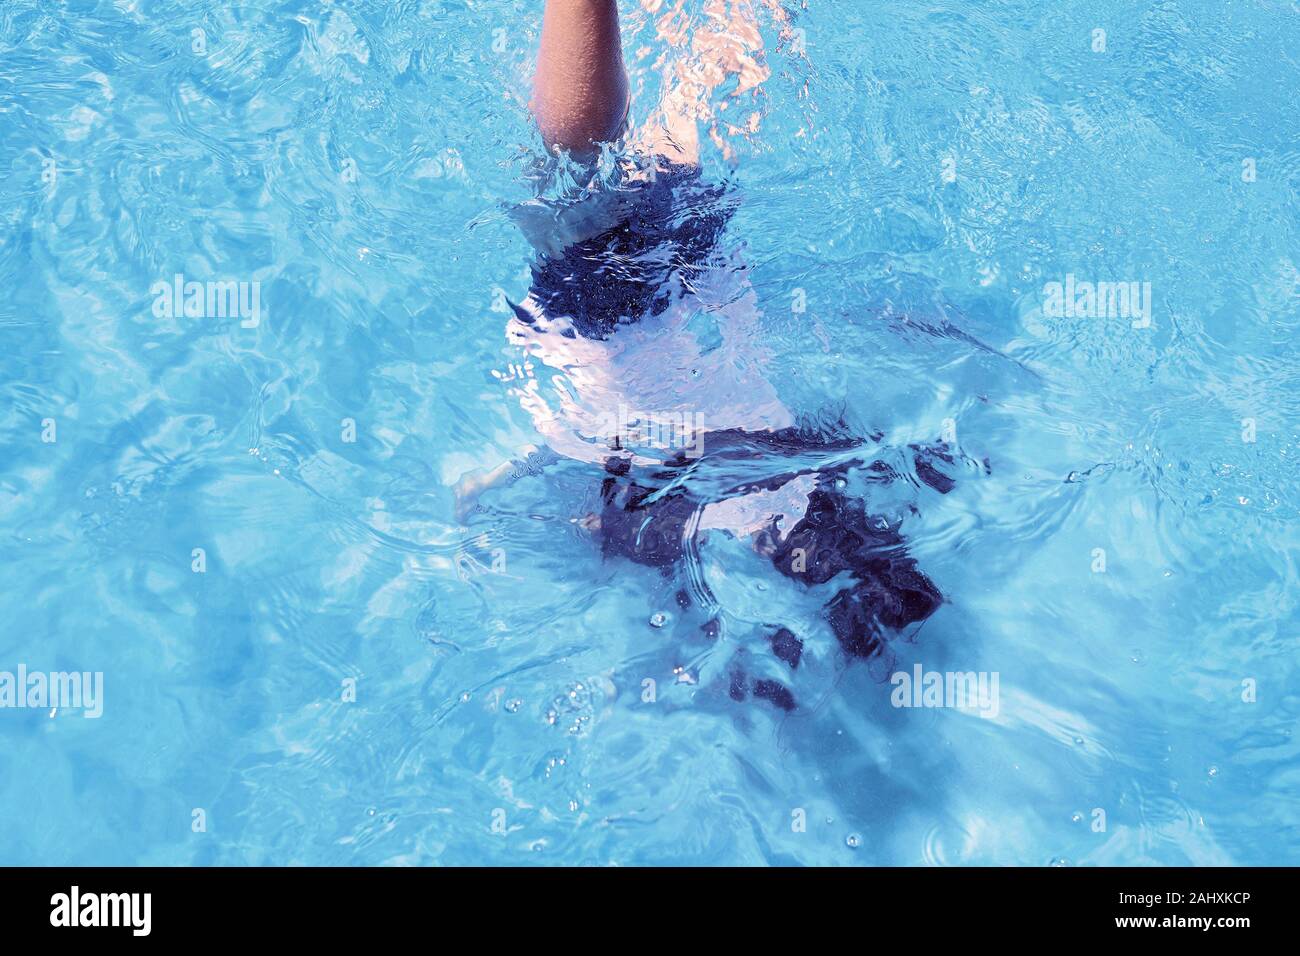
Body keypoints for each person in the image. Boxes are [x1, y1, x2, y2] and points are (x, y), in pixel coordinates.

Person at [462, 0, 957, 710]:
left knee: (705, 93)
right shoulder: (667, 533)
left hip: (706, 275)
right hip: (604, 325)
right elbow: (581, 485)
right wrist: (487, 490)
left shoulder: (816, 459)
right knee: (572, 164)